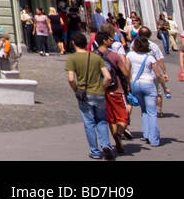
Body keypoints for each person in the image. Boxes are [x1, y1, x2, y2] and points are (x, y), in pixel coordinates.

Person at [65, 29, 114, 160]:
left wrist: (76, 90)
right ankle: (106, 145)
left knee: (89, 122)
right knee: (102, 121)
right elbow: (108, 77)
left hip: (84, 94)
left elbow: (71, 79)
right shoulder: (96, 57)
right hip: (99, 93)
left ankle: (95, 151)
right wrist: (102, 88)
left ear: (73, 43)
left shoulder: (72, 59)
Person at [126, 33, 166, 148]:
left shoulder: (130, 55)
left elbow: (127, 71)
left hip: (136, 84)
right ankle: (154, 140)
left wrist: (128, 85)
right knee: (152, 113)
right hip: (148, 83)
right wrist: (165, 88)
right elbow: (158, 74)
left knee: (144, 110)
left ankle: (146, 134)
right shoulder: (150, 58)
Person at [95, 32, 130, 154]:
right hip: (116, 89)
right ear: (104, 41)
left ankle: (117, 140)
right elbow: (125, 73)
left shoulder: (93, 55)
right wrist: (129, 83)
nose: (112, 41)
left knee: (112, 119)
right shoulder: (114, 55)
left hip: (102, 91)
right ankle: (119, 135)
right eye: (110, 39)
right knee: (124, 117)